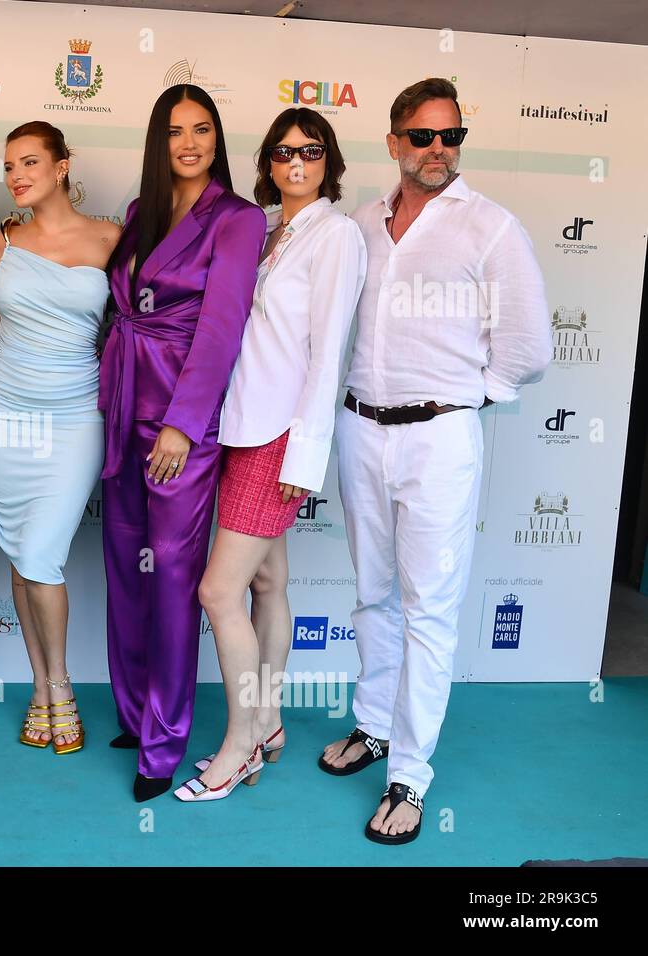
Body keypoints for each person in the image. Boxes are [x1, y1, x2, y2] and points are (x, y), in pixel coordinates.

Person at [317, 78, 549, 843]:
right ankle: (373, 725)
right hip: (360, 427)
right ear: (394, 143)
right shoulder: (362, 223)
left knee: (429, 611)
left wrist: (460, 400)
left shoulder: (490, 227)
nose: (439, 149)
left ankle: (409, 777)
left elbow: (528, 347)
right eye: (423, 136)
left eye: (451, 136)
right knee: (373, 594)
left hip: (439, 438)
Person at [176, 108, 366, 802]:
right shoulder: (263, 227)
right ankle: (270, 721)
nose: (296, 162)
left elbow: (327, 353)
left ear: (329, 160)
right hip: (240, 426)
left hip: (279, 435)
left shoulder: (336, 235)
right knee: (266, 583)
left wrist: (304, 457)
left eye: (310, 151)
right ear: (267, 162)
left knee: (217, 591)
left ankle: (239, 745)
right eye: (283, 152)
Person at [99, 84, 265, 802]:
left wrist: (182, 423)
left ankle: (164, 743)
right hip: (122, 405)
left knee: (170, 577)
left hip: (179, 423)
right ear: (157, 142)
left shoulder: (238, 218)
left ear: (217, 138)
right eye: (175, 131)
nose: (189, 143)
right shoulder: (142, 212)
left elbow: (222, 328)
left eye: (202, 129)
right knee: (124, 565)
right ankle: (135, 713)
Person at [0, 121, 119, 755]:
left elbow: (137, 330)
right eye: (10, 165)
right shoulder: (5, 239)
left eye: (30, 162)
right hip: (8, 415)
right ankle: (39, 685)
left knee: (41, 554)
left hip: (73, 418)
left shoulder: (111, 238)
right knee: (21, 555)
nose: (17, 175)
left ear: (62, 166)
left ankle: (60, 684)